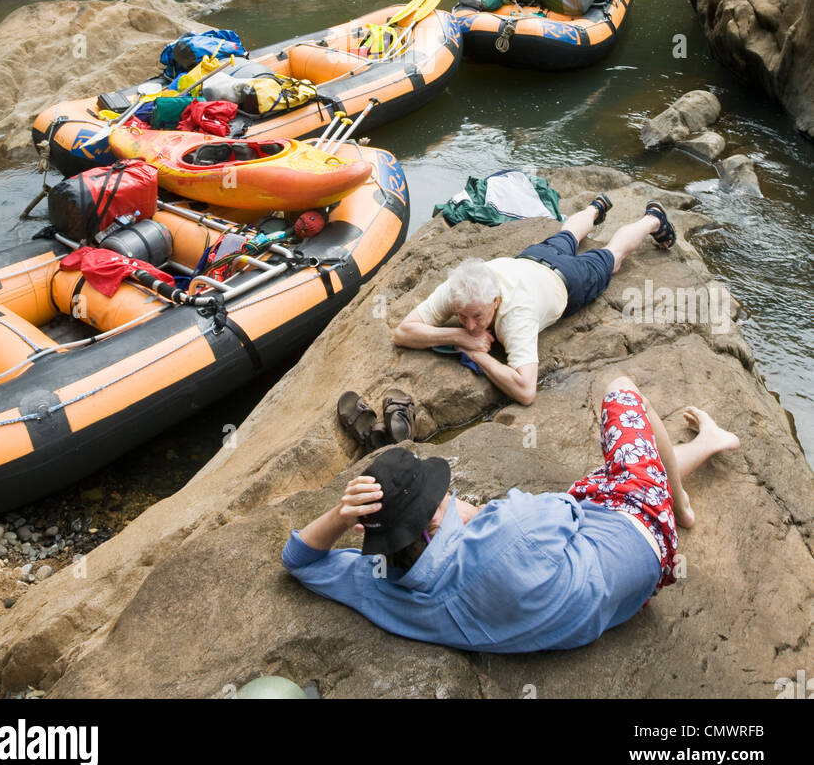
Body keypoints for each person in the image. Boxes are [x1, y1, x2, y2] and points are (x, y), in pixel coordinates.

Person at [282, 376, 739, 654]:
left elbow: (298, 561)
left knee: (612, 478)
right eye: (442, 495)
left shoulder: (386, 587)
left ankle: (704, 446)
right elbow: (567, 512)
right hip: (640, 544)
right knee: (620, 393)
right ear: (436, 520)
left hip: (603, 605)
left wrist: (340, 517)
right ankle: (678, 502)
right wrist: (478, 513)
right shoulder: (512, 529)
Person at [392, 195, 677, 406]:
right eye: (462, 315)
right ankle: (595, 208)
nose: (469, 324)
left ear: (495, 300)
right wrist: (460, 337)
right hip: (532, 260)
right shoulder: (460, 287)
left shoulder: (516, 316)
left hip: (569, 280)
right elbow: (403, 332)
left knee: (612, 256)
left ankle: (653, 219)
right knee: (568, 233)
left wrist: (476, 353)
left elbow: (526, 391)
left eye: (477, 317)